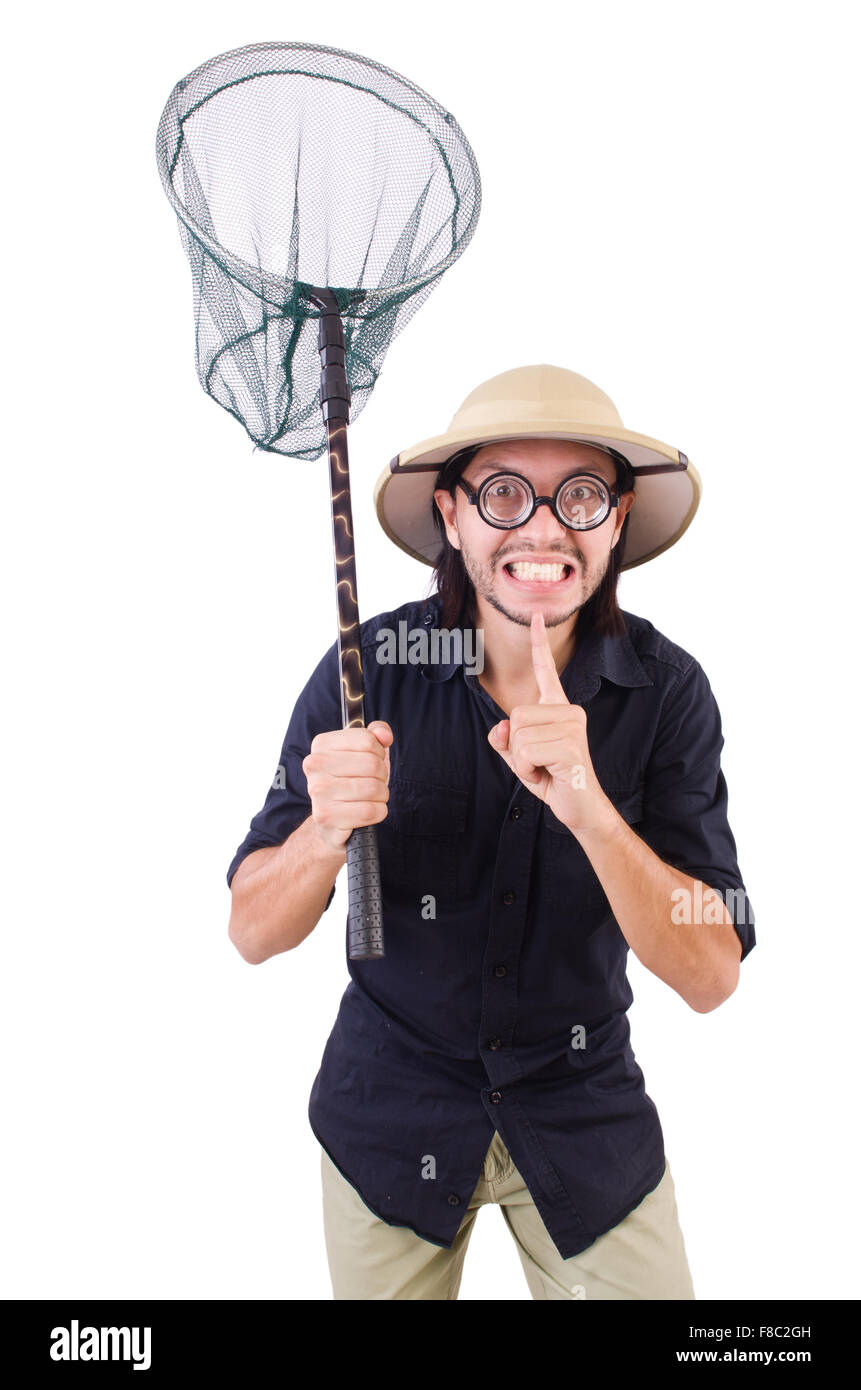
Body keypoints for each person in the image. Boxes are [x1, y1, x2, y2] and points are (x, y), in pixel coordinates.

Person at [227, 364, 756, 1301]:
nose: (542, 528)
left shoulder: (669, 691)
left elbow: (712, 973)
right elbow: (251, 931)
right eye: (503, 494)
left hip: (583, 1118)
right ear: (452, 515)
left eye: (579, 496)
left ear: (617, 519)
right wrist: (323, 831)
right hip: (389, 1116)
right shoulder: (365, 672)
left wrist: (592, 811)